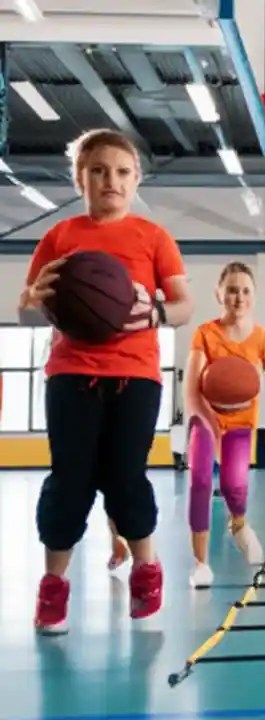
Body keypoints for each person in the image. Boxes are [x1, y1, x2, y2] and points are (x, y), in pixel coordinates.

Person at [18, 128, 195, 634]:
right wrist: (36, 302)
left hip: (135, 376)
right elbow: (28, 314)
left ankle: (147, 565)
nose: (110, 180)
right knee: (68, 482)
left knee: (125, 477)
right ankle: (54, 586)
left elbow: (184, 306)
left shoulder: (153, 237)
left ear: (135, 179)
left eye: (121, 172)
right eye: (98, 171)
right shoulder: (59, 238)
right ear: (81, 179)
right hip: (70, 373)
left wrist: (155, 311)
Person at [185, 261, 265, 589]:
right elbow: (190, 388)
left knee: (234, 486)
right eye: (231, 290)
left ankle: (239, 525)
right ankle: (200, 564)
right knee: (201, 481)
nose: (238, 297)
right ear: (219, 294)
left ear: (254, 296)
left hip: (242, 423)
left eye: (245, 290)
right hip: (204, 416)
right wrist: (207, 420)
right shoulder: (205, 333)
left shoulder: (263, 338)